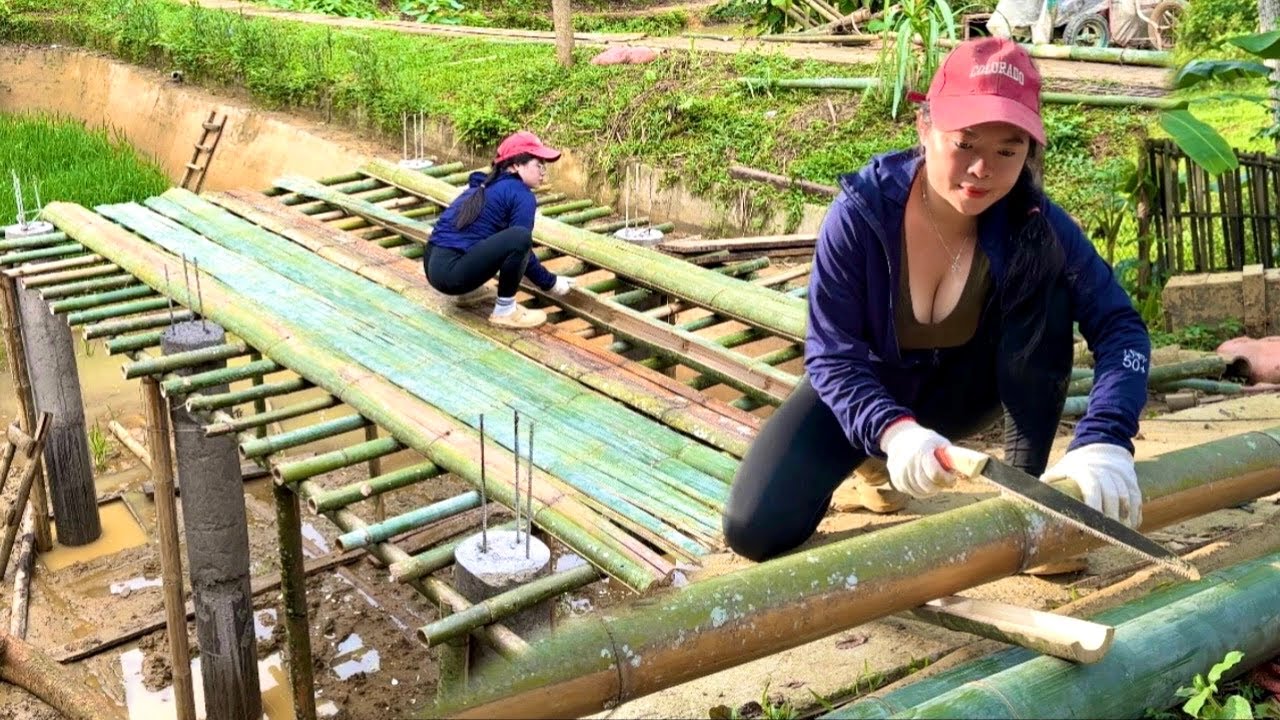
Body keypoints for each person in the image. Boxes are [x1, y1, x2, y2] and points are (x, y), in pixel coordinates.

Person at [722, 37, 1152, 564]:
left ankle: (1032, 496)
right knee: (753, 529)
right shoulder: (862, 215)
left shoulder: (1035, 223)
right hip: (867, 387)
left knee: (1054, 290)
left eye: (1007, 151)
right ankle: (876, 456)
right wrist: (895, 432)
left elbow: (1122, 329)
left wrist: (1105, 437)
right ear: (924, 128)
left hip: (963, 395)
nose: (982, 169)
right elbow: (832, 356)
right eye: (965, 144)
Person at [424, 130, 574, 328]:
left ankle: (468, 292)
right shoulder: (521, 194)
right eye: (539, 165)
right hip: (452, 277)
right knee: (520, 237)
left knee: (491, 236)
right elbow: (521, 247)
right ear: (516, 165)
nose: (543, 172)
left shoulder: (485, 185)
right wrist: (551, 283)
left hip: (433, 268)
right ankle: (505, 311)